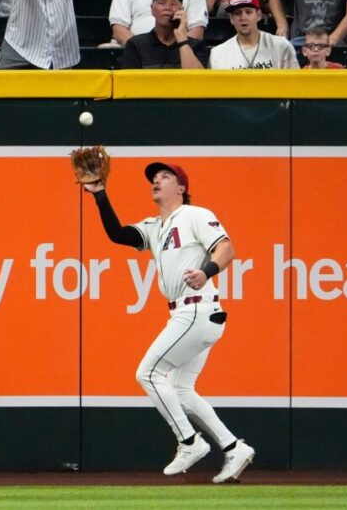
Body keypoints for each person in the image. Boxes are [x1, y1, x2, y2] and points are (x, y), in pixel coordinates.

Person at [79, 159, 254, 483]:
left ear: (181, 188)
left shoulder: (194, 214)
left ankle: (189, 442)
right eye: (154, 177)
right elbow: (119, 234)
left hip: (196, 309)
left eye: (165, 176)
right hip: (192, 312)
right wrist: (99, 194)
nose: (156, 181)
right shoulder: (154, 226)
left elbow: (226, 249)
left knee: (148, 372)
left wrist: (206, 271)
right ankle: (234, 447)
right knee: (182, 389)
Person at [120, 0, 206, 68]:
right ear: (152, 9)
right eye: (162, 3)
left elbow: (196, 79)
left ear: (181, 10)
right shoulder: (136, 44)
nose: (167, 7)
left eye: (173, 4)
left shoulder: (195, 45)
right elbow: (130, 80)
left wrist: (182, 39)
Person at [209, 0, 298, 69]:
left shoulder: (281, 46)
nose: (243, 17)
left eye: (248, 12)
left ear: (259, 15)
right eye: (237, 13)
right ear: (231, 19)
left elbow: (295, 83)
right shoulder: (218, 54)